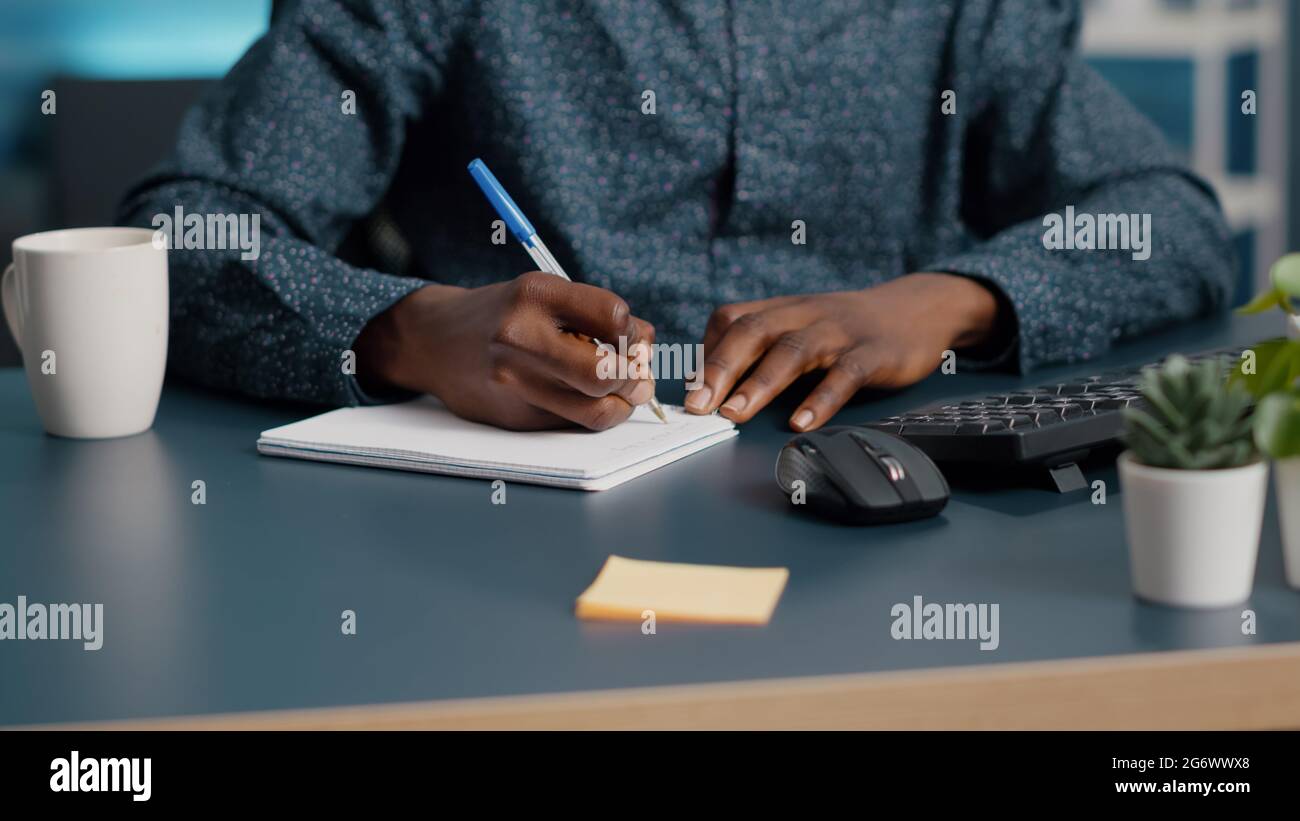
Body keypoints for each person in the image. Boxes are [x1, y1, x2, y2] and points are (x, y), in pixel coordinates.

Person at [119, 0, 1235, 433]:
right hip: (503, 514)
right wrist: (407, 328)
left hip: (881, 496)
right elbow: (183, 232)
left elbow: (1166, 222)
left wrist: (944, 304)